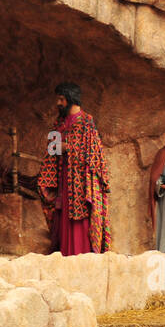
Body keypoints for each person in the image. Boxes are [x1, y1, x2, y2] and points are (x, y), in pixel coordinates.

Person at [38, 81, 111, 255]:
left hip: (82, 182)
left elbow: (94, 153)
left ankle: (83, 255)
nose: (58, 103)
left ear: (70, 99)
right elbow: (51, 148)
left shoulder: (87, 121)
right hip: (64, 178)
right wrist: (58, 147)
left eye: (61, 99)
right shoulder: (59, 123)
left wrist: (66, 147)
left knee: (81, 220)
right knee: (62, 215)